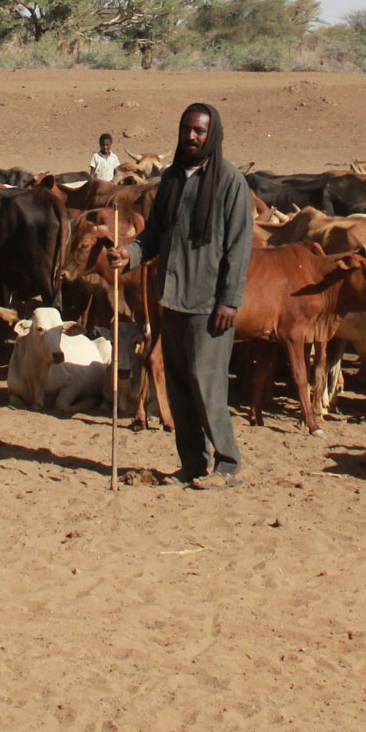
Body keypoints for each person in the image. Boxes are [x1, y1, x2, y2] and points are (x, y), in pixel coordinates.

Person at [109, 102, 252, 488]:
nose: (191, 136)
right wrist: (129, 254)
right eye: (187, 129)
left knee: (208, 385)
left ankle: (227, 464)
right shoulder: (171, 178)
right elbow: (154, 236)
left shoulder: (229, 181)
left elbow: (239, 246)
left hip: (209, 304)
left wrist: (230, 299)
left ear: (212, 134)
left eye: (200, 131)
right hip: (169, 299)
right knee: (179, 387)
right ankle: (192, 464)